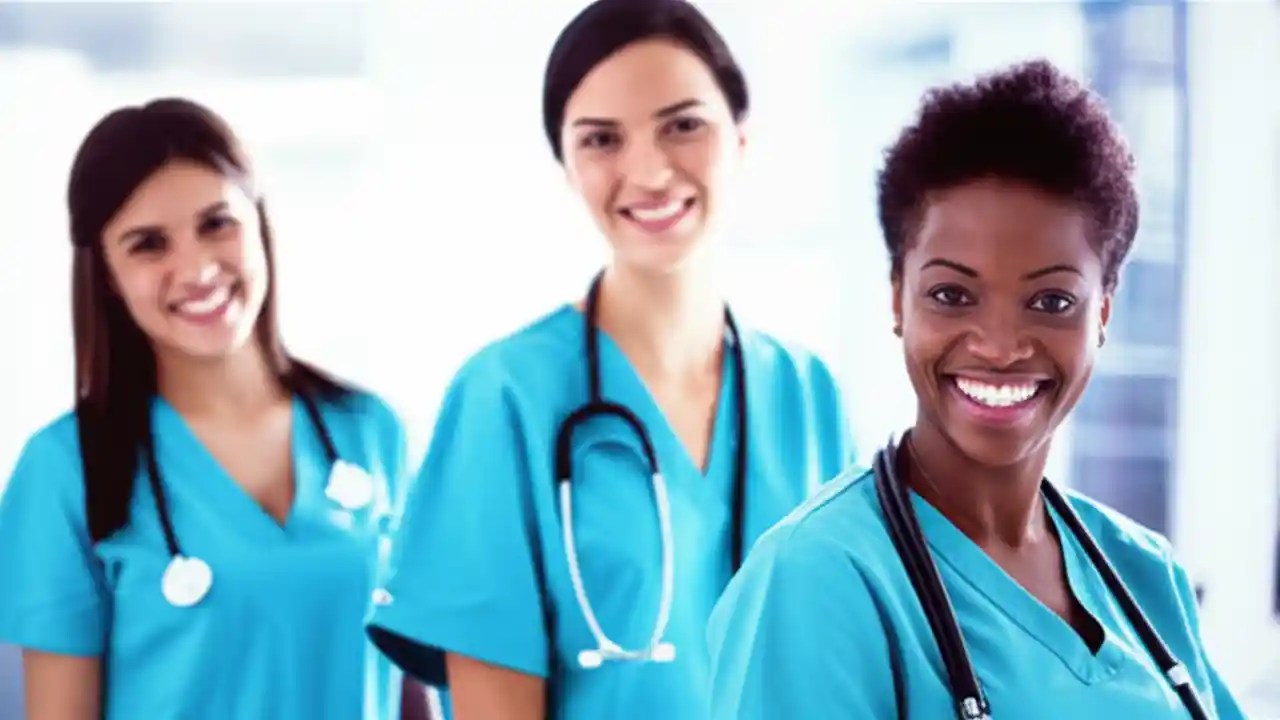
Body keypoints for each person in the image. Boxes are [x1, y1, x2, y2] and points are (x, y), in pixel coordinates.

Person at [705, 59, 1247, 719]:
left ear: (1102, 312)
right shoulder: (817, 580)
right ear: (898, 299)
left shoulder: (1144, 571)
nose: (999, 344)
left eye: (1051, 300)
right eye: (951, 295)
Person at [364, 1, 858, 718]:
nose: (650, 172)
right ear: (567, 168)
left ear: (743, 141)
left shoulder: (805, 391)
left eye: (683, 125)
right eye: (601, 140)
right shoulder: (505, 395)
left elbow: (837, 662)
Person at [0, 98, 412, 719]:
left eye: (217, 223)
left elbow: (409, 686)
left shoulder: (369, 432)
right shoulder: (65, 471)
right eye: (149, 245)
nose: (196, 268)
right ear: (107, 275)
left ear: (260, 223)